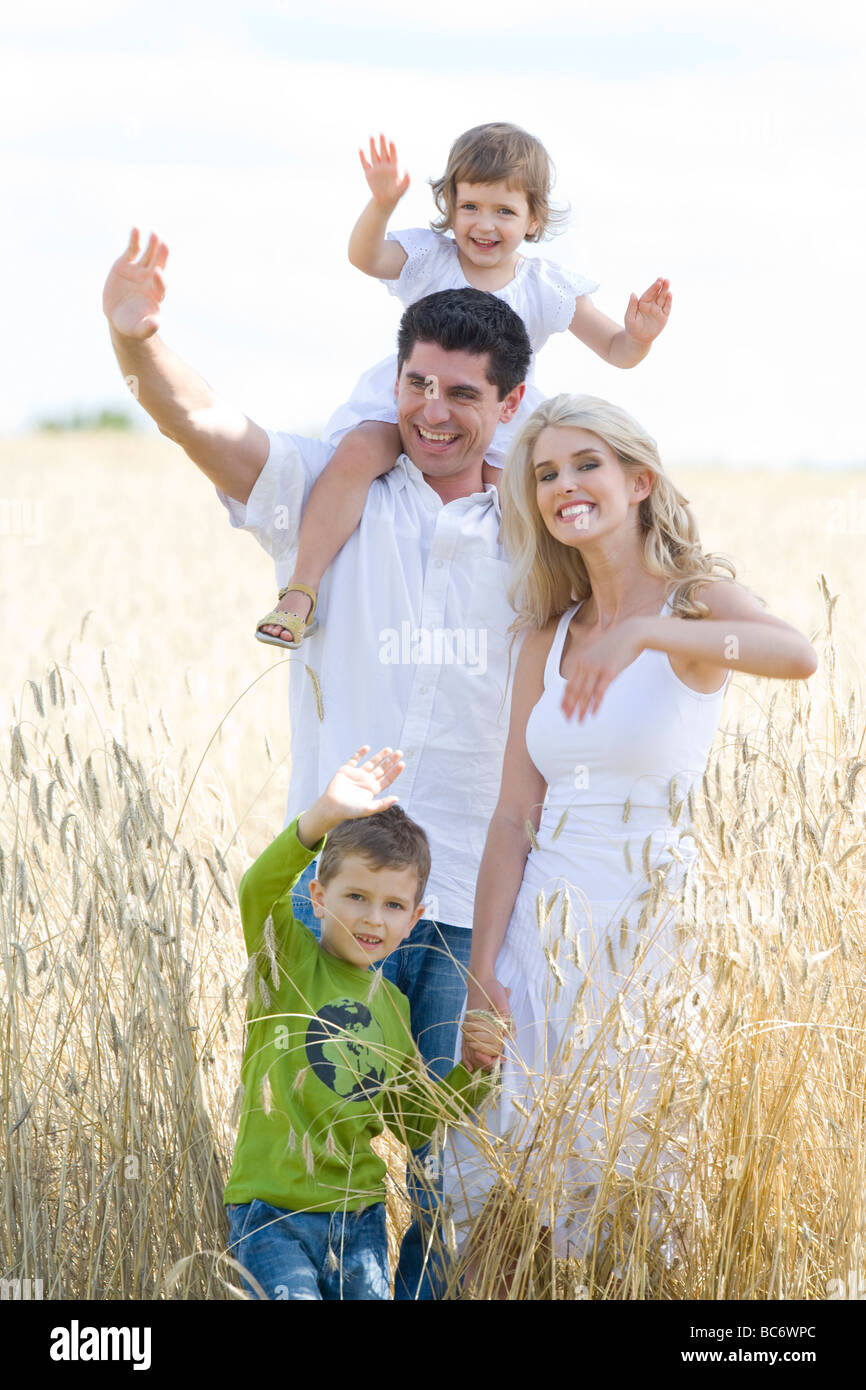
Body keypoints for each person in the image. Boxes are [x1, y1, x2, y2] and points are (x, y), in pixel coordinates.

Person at [102, 234, 530, 1297]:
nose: (432, 409)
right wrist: (139, 338)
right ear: (393, 382)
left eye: (462, 394)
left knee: (451, 1167)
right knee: (310, 1139)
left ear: (510, 405)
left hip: (471, 896)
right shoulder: (334, 502)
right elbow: (204, 426)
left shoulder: (533, 534)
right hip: (334, 895)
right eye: (416, 384)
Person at [449, 393, 818, 1290]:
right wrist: (484, 971)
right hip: (543, 937)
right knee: (501, 1195)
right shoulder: (548, 634)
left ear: (638, 480)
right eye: (545, 474)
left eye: (587, 465)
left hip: (650, 939)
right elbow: (511, 817)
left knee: (633, 1189)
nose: (565, 485)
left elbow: (796, 651)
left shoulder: (691, 603)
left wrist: (652, 631)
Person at [256, 123, 672, 649]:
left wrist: (639, 336)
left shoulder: (545, 285)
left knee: (517, 504)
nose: (484, 224)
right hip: (411, 394)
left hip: (497, 415)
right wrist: (382, 203)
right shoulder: (432, 259)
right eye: (470, 206)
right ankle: (302, 590)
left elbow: (616, 351)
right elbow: (366, 257)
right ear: (449, 204)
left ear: (534, 218)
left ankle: (561, 619)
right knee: (360, 452)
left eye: (504, 211)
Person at [225, 743, 491, 1300]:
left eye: (394, 906)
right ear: (317, 897)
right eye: (356, 896)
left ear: (415, 918)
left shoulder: (392, 1007)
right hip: (272, 1213)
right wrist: (322, 816)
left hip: (360, 1223)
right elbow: (256, 889)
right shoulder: (288, 963)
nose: (373, 918)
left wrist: (475, 1068)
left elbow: (416, 1123)